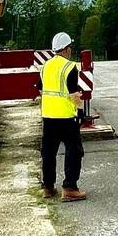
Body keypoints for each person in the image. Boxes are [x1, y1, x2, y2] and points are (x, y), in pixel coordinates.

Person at [40, 31, 86, 201]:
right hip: (66, 117)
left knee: (48, 153)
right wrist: (80, 112)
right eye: (70, 48)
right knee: (74, 151)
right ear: (66, 49)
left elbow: (40, 88)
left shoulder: (45, 66)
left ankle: (48, 187)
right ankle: (70, 188)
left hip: (48, 116)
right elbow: (74, 94)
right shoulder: (70, 67)